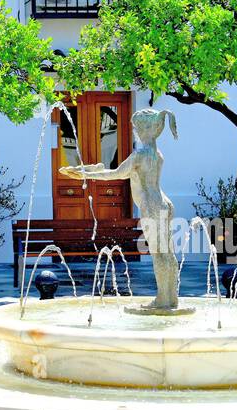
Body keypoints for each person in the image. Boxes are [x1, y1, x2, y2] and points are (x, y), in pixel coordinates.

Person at [59, 108, 183, 312]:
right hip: (164, 202)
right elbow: (117, 172)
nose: (134, 131)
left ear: (145, 128)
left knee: (158, 253)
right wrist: (90, 170)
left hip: (151, 206)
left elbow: (115, 174)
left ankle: (162, 297)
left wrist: (84, 175)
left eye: (136, 127)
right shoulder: (156, 154)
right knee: (167, 252)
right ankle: (171, 298)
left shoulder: (140, 155)